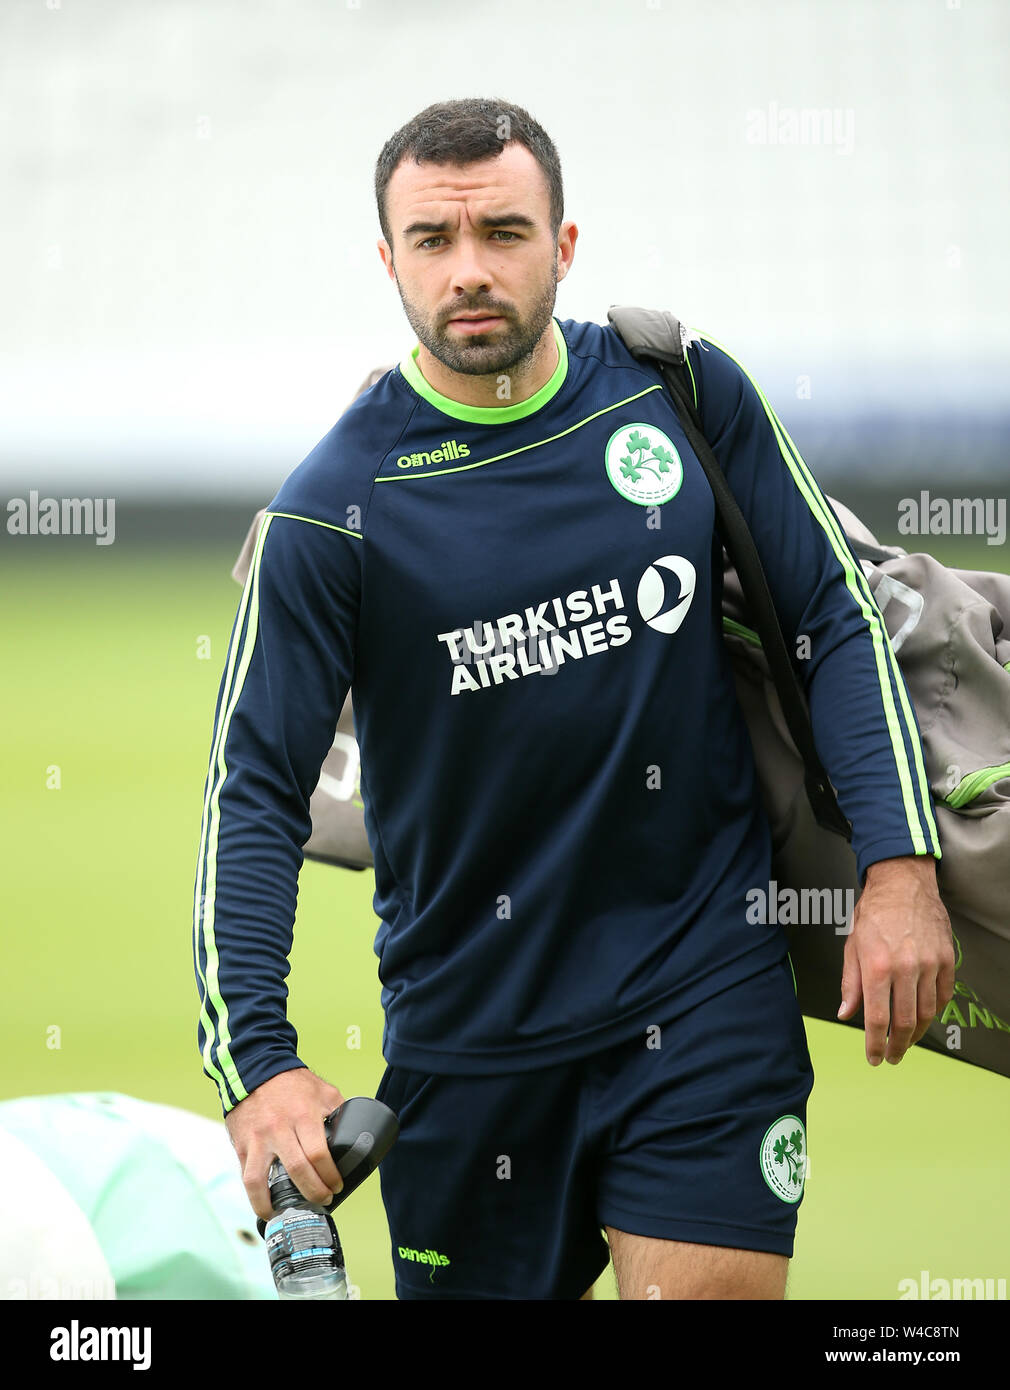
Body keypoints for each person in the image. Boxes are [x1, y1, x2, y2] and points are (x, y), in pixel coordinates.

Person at [193, 96, 955, 1300]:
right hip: (468, 1037)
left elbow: (832, 618)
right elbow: (254, 794)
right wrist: (258, 1063)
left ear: (565, 243)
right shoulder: (330, 505)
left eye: (503, 232)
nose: (471, 272)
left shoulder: (673, 386)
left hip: (701, 981)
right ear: (386, 261)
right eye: (433, 245)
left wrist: (897, 867)